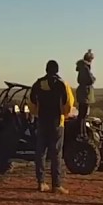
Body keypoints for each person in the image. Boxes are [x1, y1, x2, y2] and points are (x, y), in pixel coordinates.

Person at [28, 60, 76, 194]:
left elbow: (31, 103)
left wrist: (37, 113)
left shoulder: (38, 84)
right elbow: (69, 104)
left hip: (42, 121)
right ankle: (56, 185)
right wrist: (64, 115)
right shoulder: (62, 84)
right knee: (56, 153)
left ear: (46, 69)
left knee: (40, 152)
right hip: (56, 122)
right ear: (57, 70)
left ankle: (41, 182)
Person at [75, 49, 96, 132]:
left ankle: (82, 132)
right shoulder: (85, 68)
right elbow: (91, 80)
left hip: (82, 93)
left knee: (82, 115)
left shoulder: (82, 67)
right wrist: (93, 78)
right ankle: (81, 132)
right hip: (85, 93)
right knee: (83, 115)